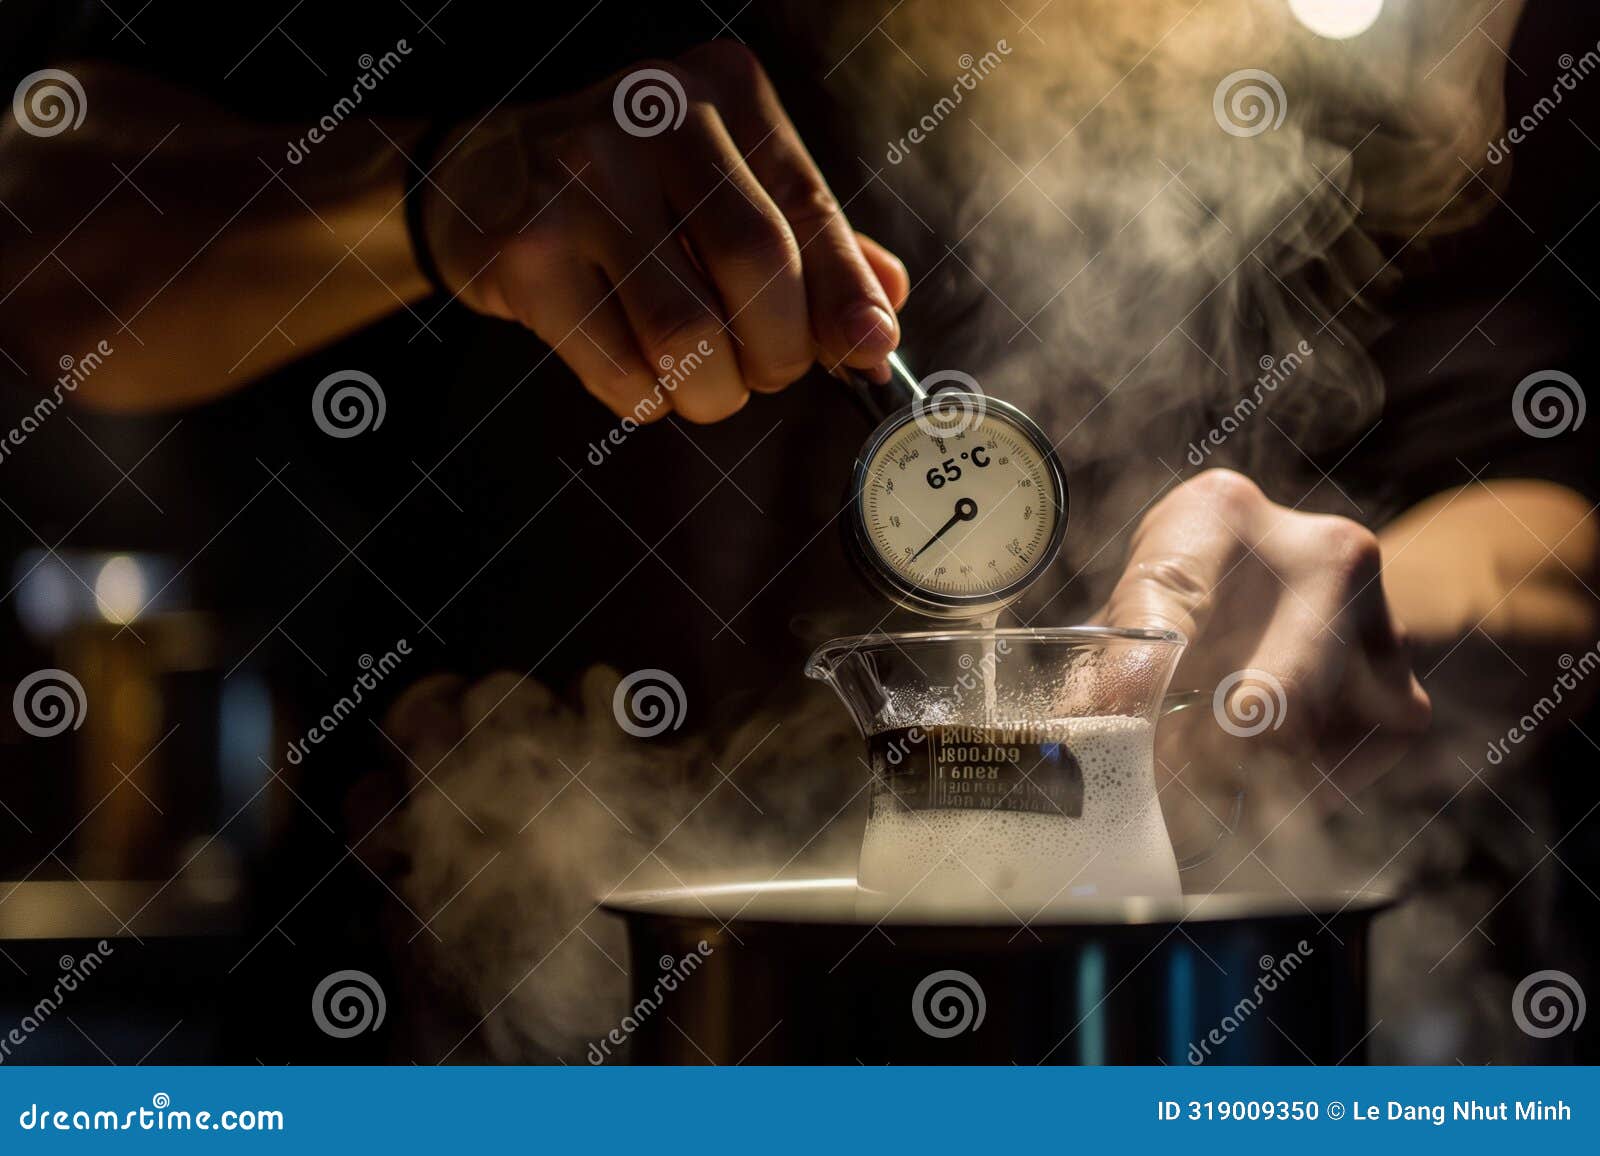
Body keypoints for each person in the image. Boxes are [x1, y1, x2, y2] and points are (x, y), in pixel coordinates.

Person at [1, 0, 1594, 1061]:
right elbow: (43, 219)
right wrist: (424, 189)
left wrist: (1351, 629)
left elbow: (1532, 491)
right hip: (445, 1029)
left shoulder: (1326, 42)